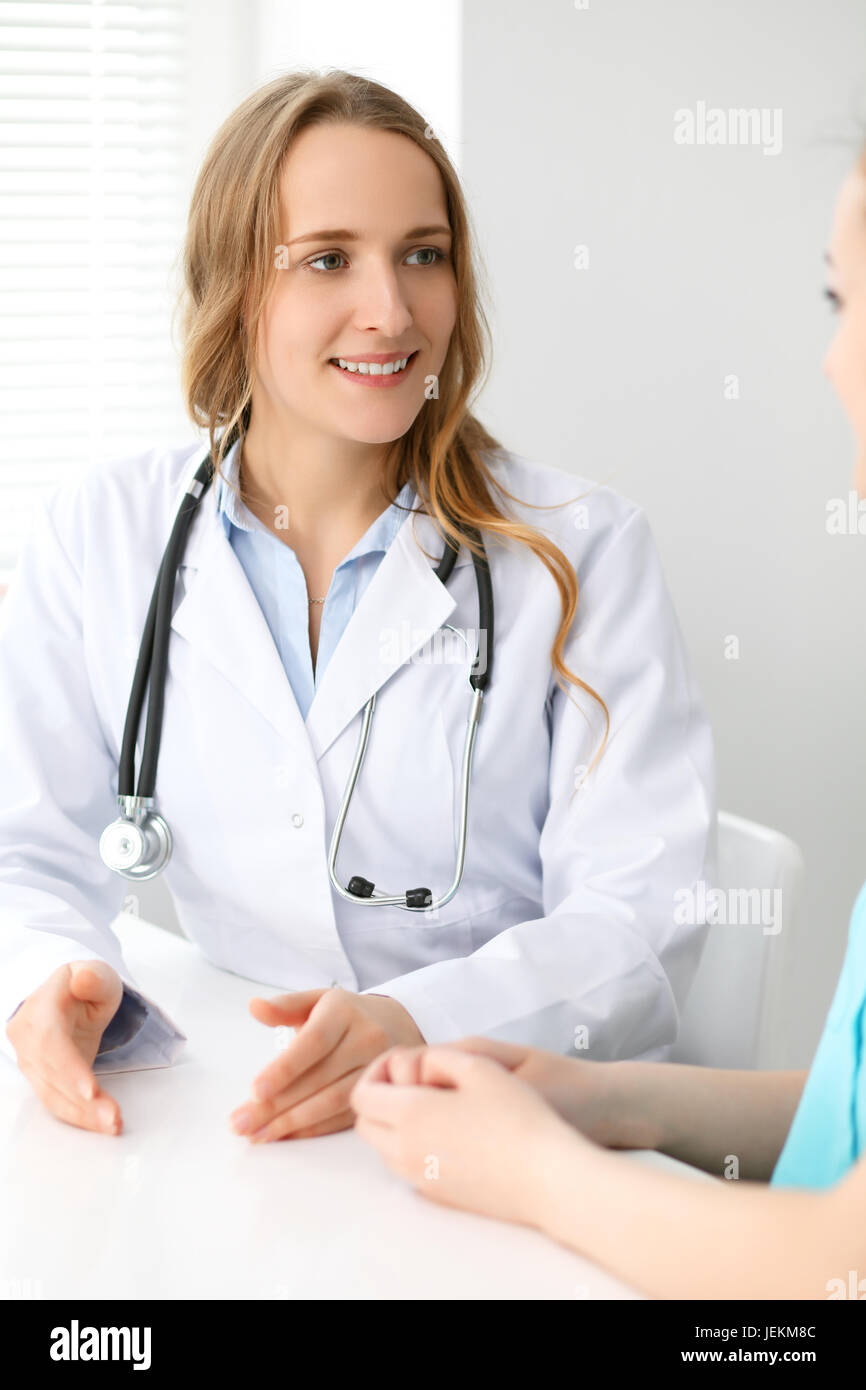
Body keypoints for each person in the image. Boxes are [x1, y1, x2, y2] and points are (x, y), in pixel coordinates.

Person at [0, 70, 714, 1145]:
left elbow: (640, 919)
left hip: (507, 1124)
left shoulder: (579, 547)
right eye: (327, 258)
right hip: (235, 1118)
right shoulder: (101, 534)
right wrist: (48, 980)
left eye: (422, 254)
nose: (390, 310)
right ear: (236, 286)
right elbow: (23, 850)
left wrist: (412, 1022)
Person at [350, 140, 866, 1300]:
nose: (830, 355)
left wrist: (534, 1171)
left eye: (844, 300)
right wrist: (596, 1097)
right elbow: (848, 1124)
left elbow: (837, 1263)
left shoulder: (580, 538)